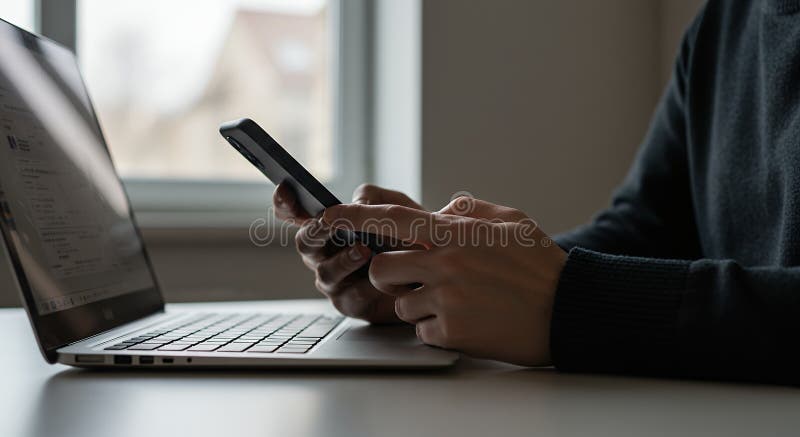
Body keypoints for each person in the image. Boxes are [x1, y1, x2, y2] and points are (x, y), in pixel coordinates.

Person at [273, 0, 800, 384]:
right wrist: (439, 275)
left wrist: (574, 304)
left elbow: (583, 289)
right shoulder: (721, 25)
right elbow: (645, 228)